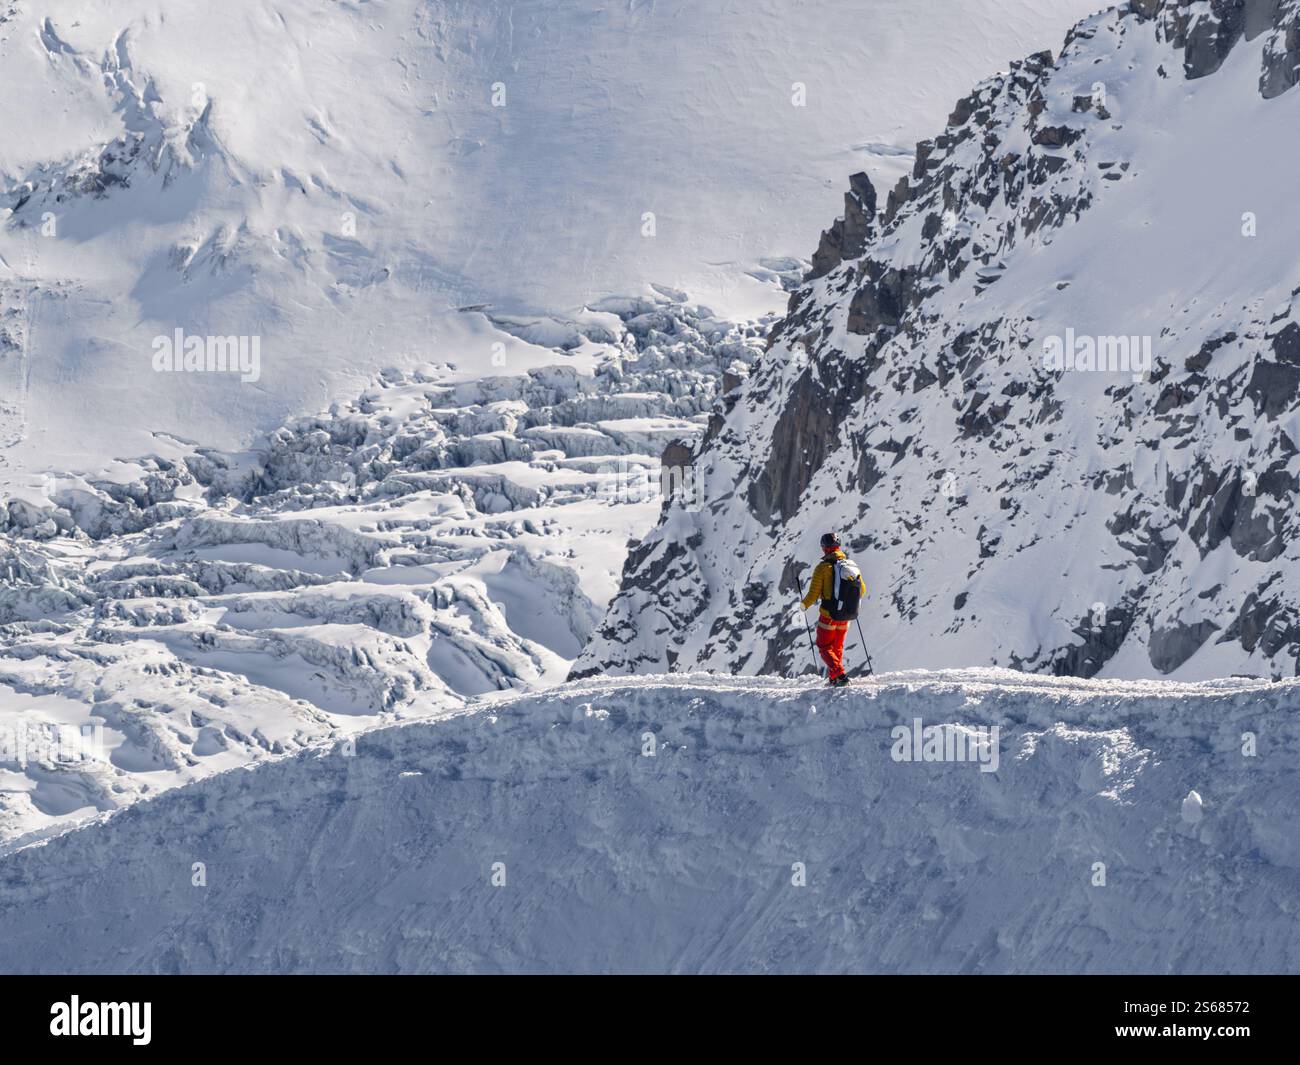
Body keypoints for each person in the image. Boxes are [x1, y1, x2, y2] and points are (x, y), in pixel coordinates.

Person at [800, 532, 865, 686]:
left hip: (829, 614)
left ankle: (840, 675)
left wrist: (803, 606)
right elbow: (862, 589)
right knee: (837, 647)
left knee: (824, 646)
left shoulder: (822, 568)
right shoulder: (851, 566)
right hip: (846, 614)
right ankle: (834, 677)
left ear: (824, 548)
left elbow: (813, 594)